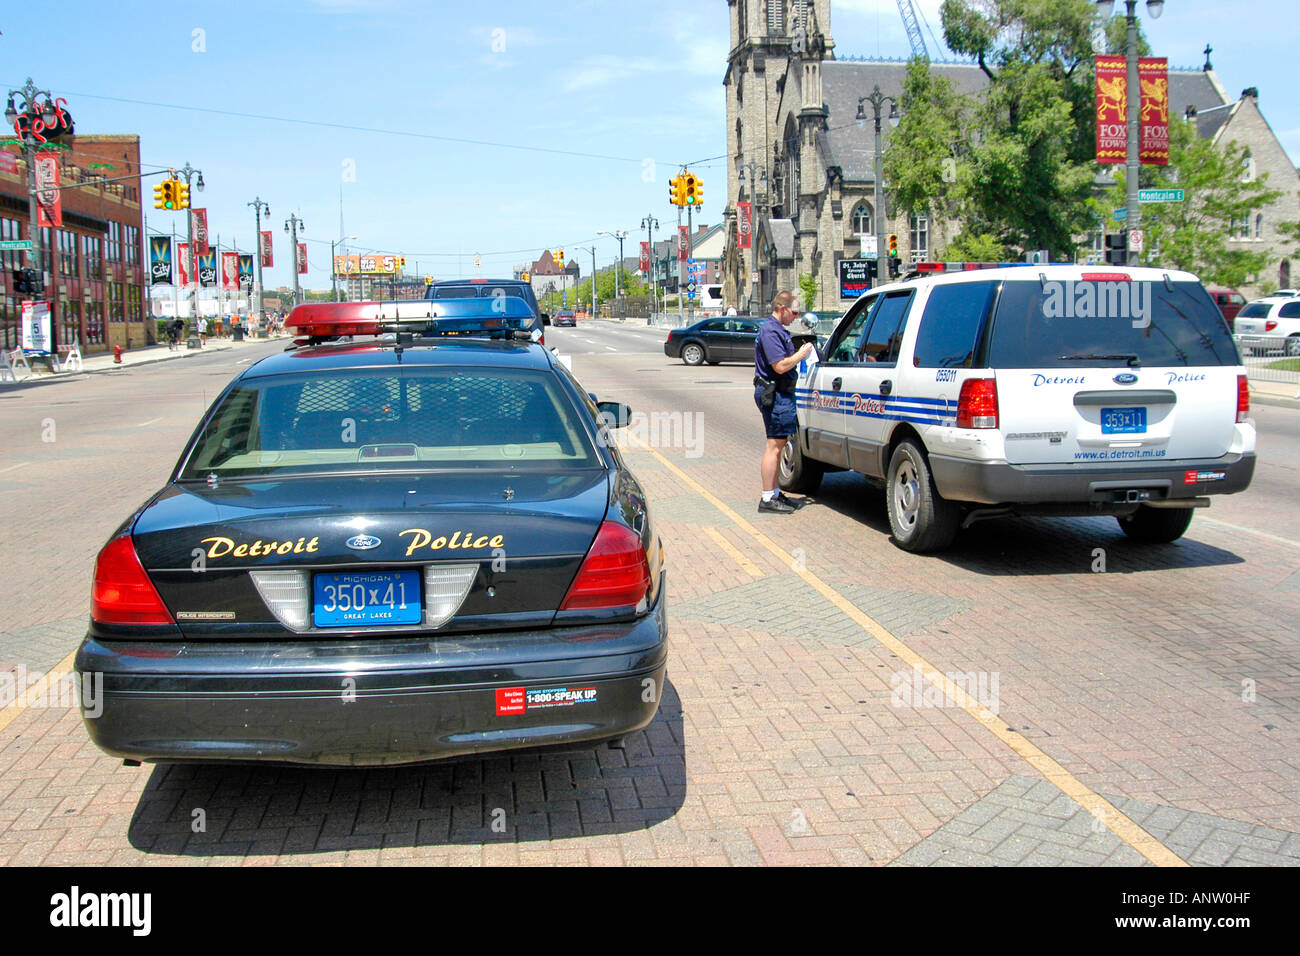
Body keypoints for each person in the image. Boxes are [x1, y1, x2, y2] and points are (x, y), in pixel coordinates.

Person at [754, 290, 814, 514]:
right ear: (782, 309)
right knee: (774, 447)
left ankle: (775, 493)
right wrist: (801, 355)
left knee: (779, 446)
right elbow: (779, 366)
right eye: (794, 312)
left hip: (781, 393)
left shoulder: (779, 330)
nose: (796, 317)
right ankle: (768, 498)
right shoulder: (770, 331)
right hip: (775, 393)